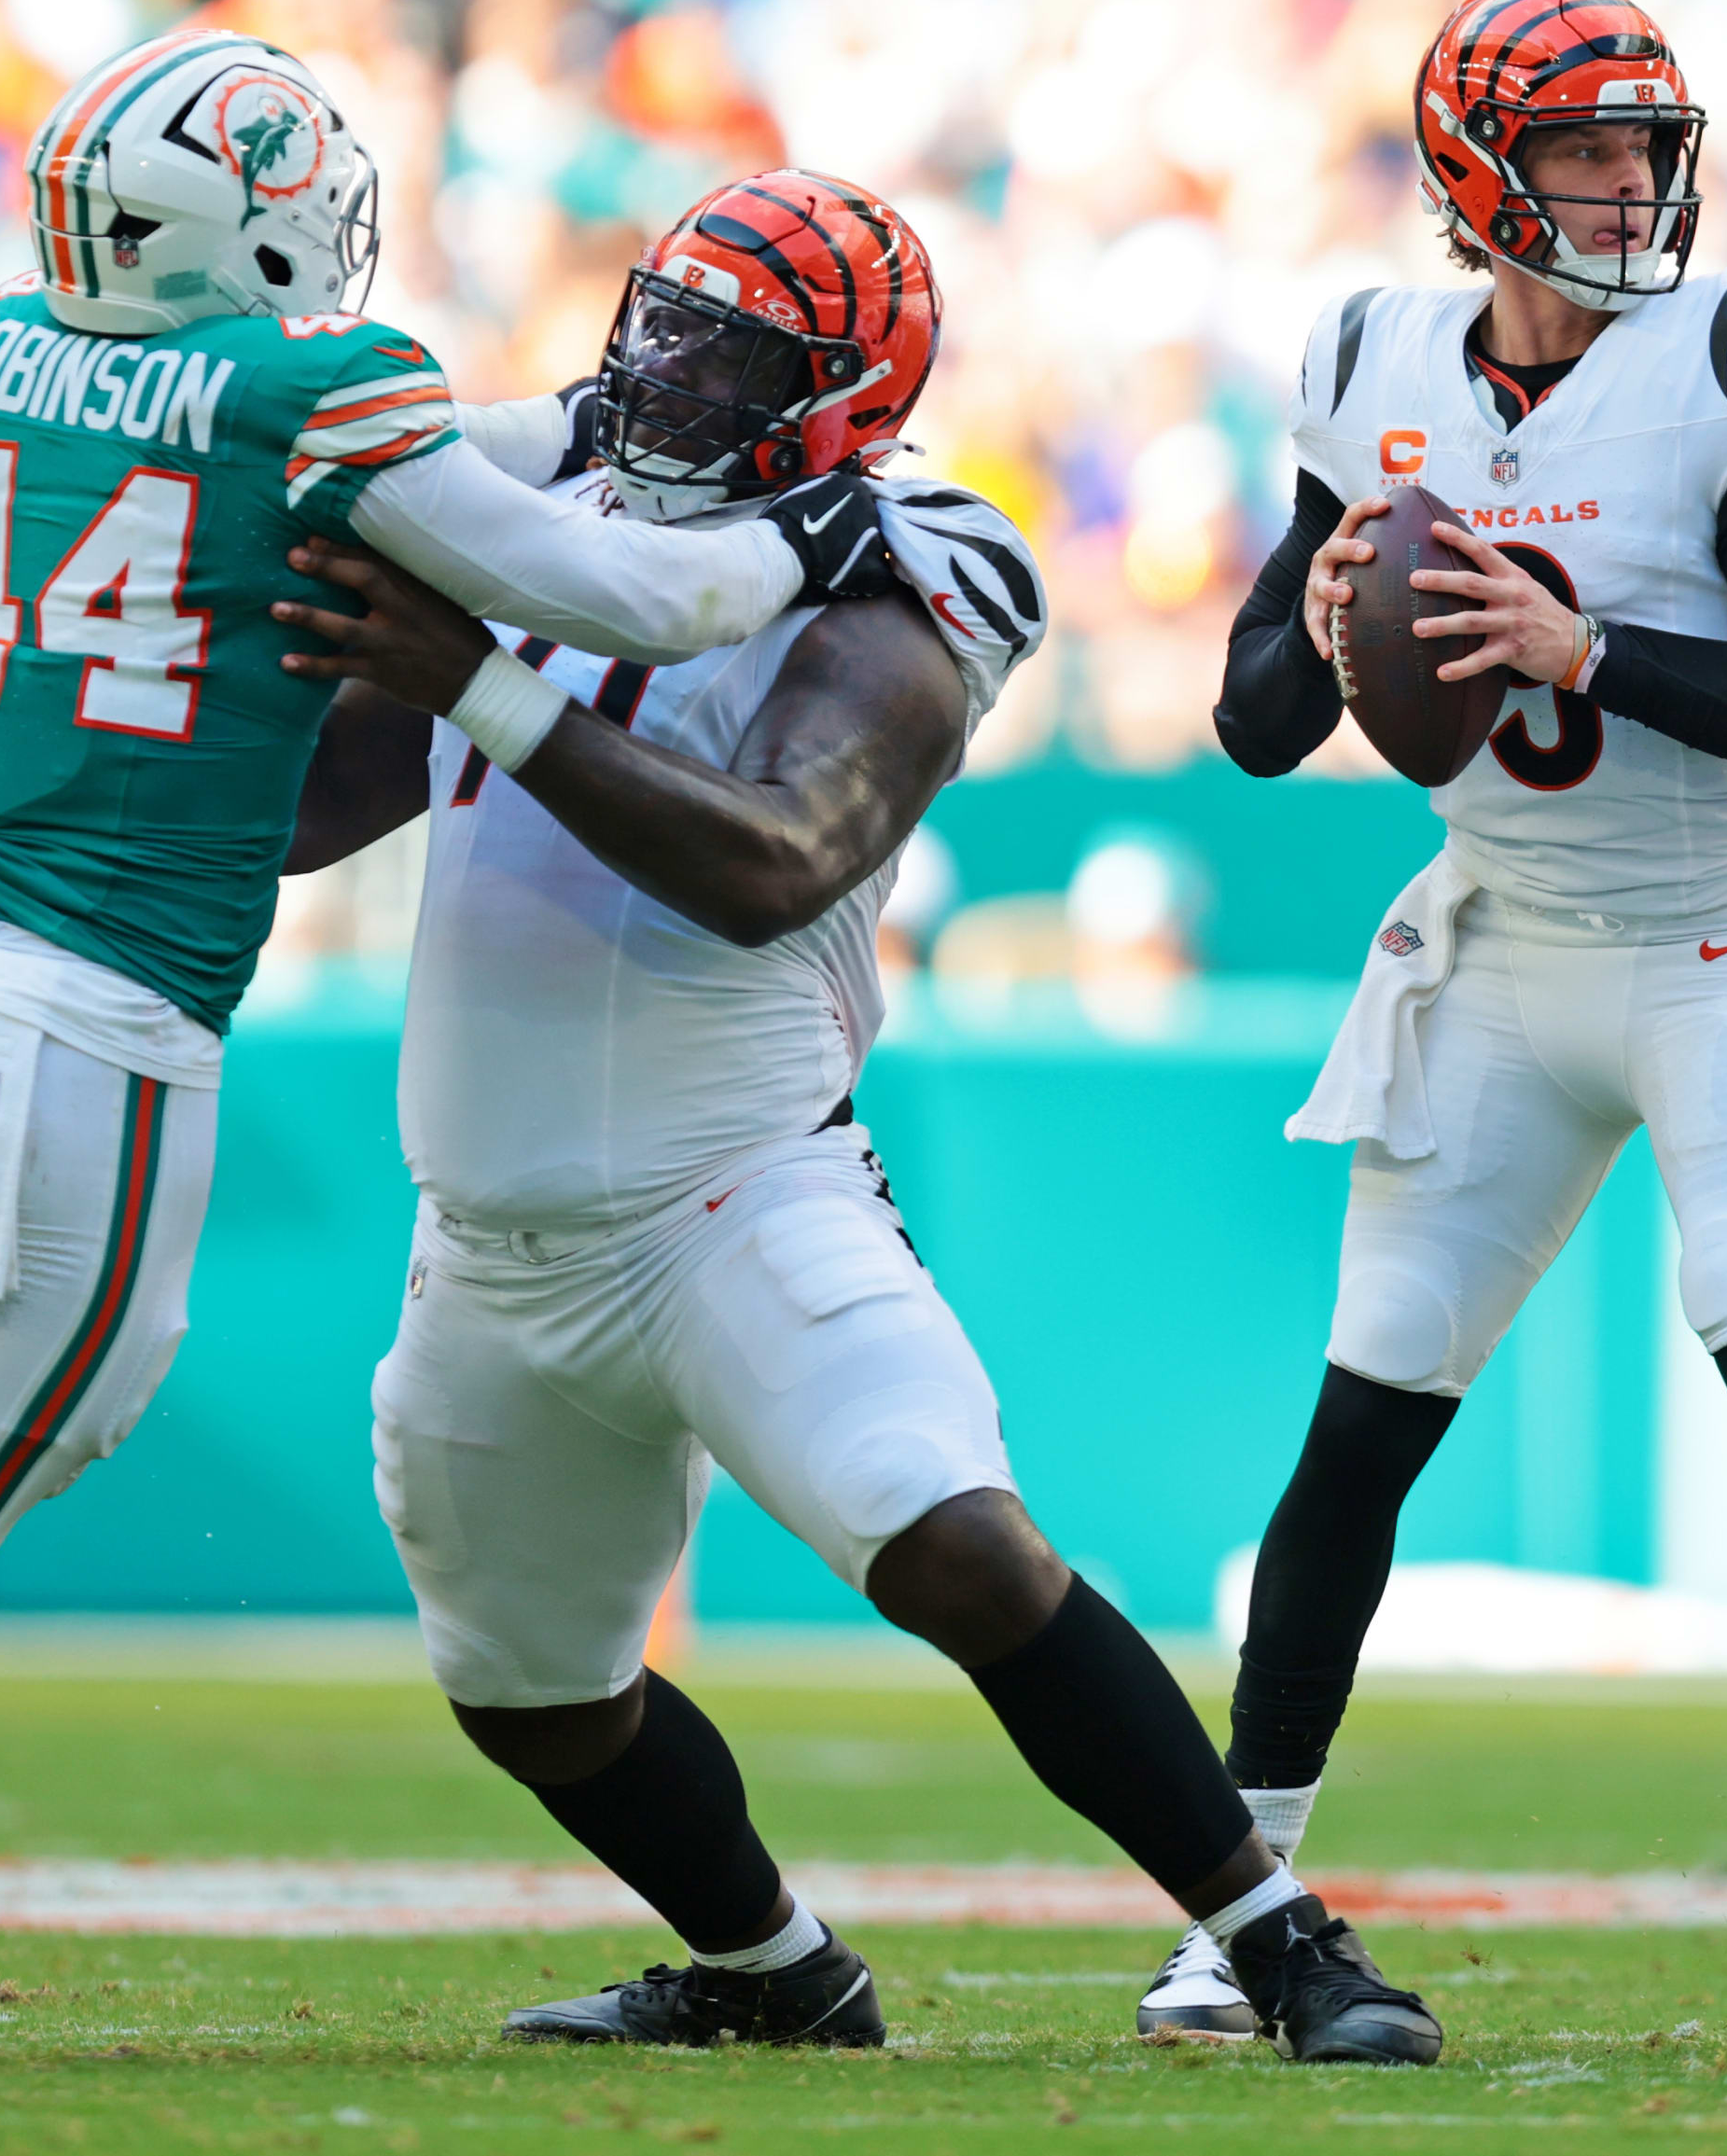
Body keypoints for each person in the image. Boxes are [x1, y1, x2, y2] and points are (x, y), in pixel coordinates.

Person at [280, 172, 1441, 2066]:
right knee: (531, 1694)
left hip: (732, 1190)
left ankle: (1287, 1942)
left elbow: (774, 859)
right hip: (485, 1235)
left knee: (957, 1544)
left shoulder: (914, 555)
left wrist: (474, 679)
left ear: (844, 396)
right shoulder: (544, 496)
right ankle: (776, 1966)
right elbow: (318, 807)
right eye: (666, 320)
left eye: (732, 351)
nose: (670, 372)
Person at [1183, 0, 1727, 2043]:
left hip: (1722, 938)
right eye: (1582, 149)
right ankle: (1241, 1895)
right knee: (1364, 1416)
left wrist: (1589, 649)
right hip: (1502, 942)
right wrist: (1316, 617)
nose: (1629, 186)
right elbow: (1256, 724)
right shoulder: (1372, 362)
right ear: (1479, 176)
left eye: (1645, 147)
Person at [0, 32, 883, 1616]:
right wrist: (803, 534)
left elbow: (384, 461)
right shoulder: (312, 385)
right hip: (77, 1035)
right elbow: (639, 599)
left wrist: (587, 416)